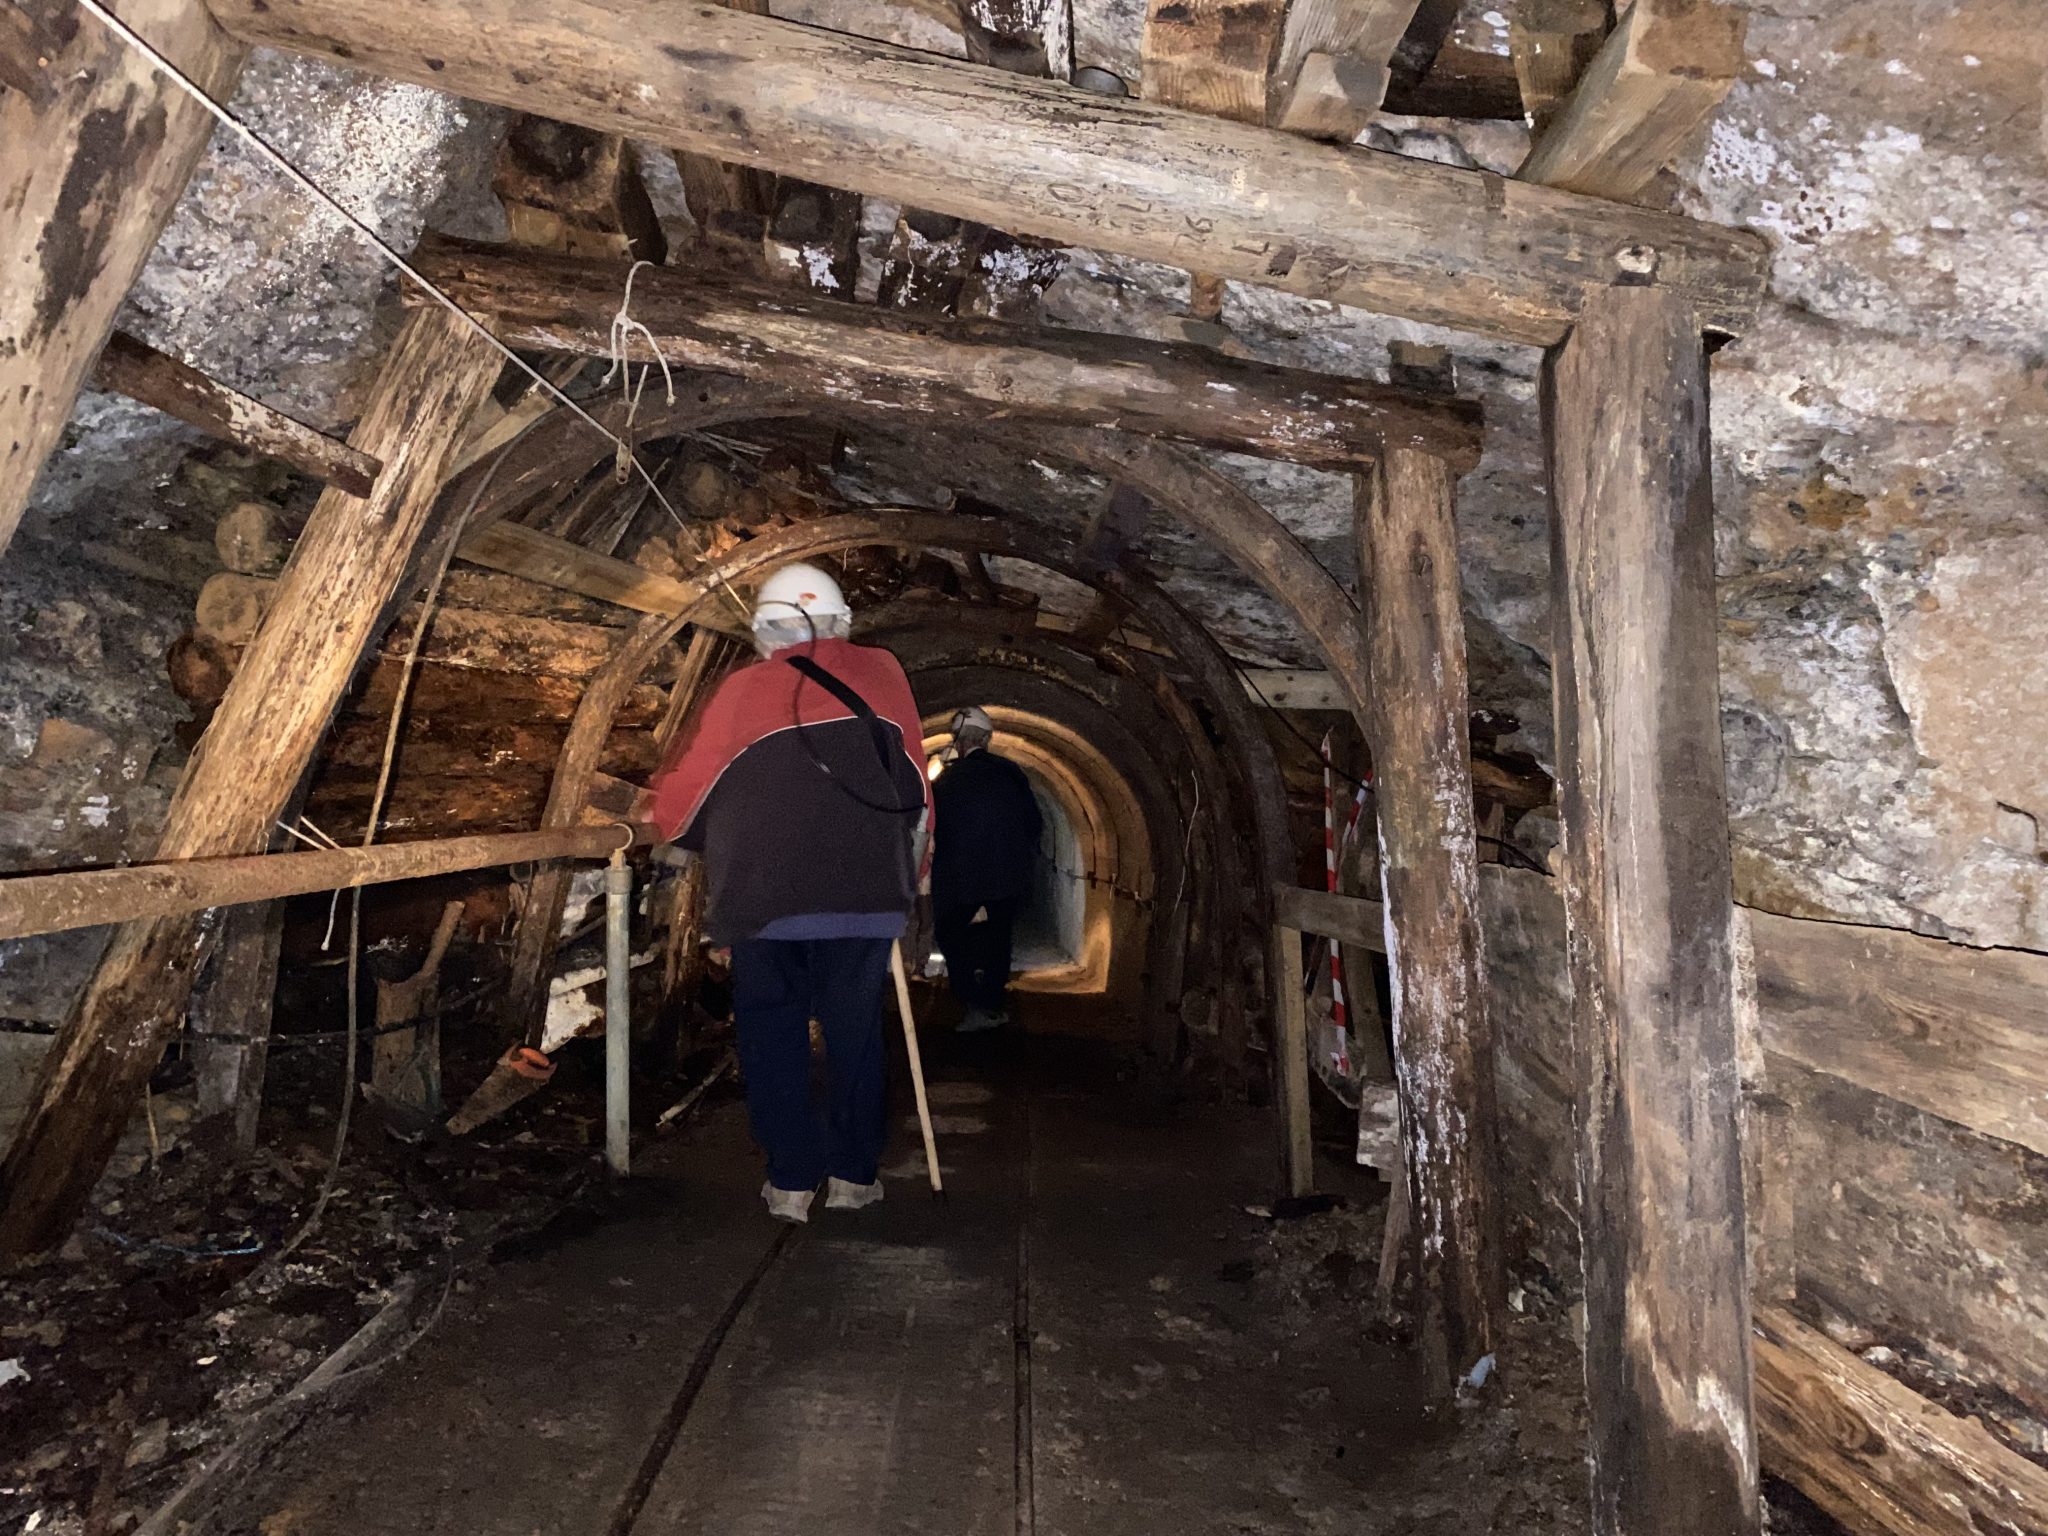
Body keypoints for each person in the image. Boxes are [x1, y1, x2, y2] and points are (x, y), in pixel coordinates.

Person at [643, 563, 932, 1224]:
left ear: (763, 632)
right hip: (865, 896)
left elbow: (688, 790)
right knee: (854, 1032)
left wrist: (668, 838)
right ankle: (855, 1175)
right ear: (842, 622)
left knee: (772, 1036)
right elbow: (916, 785)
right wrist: (912, 880)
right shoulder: (884, 673)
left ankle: (792, 1182)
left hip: (761, 898)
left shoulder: (743, 690)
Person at [930, 706, 1043, 1032]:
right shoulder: (1011, 773)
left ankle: (969, 998)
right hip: (1006, 875)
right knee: (999, 937)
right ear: (987, 739)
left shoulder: (948, 779)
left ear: (959, 742)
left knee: (951, 935)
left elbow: (934, 830)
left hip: (959, 878)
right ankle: (990, 1002)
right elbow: (1033, 823)